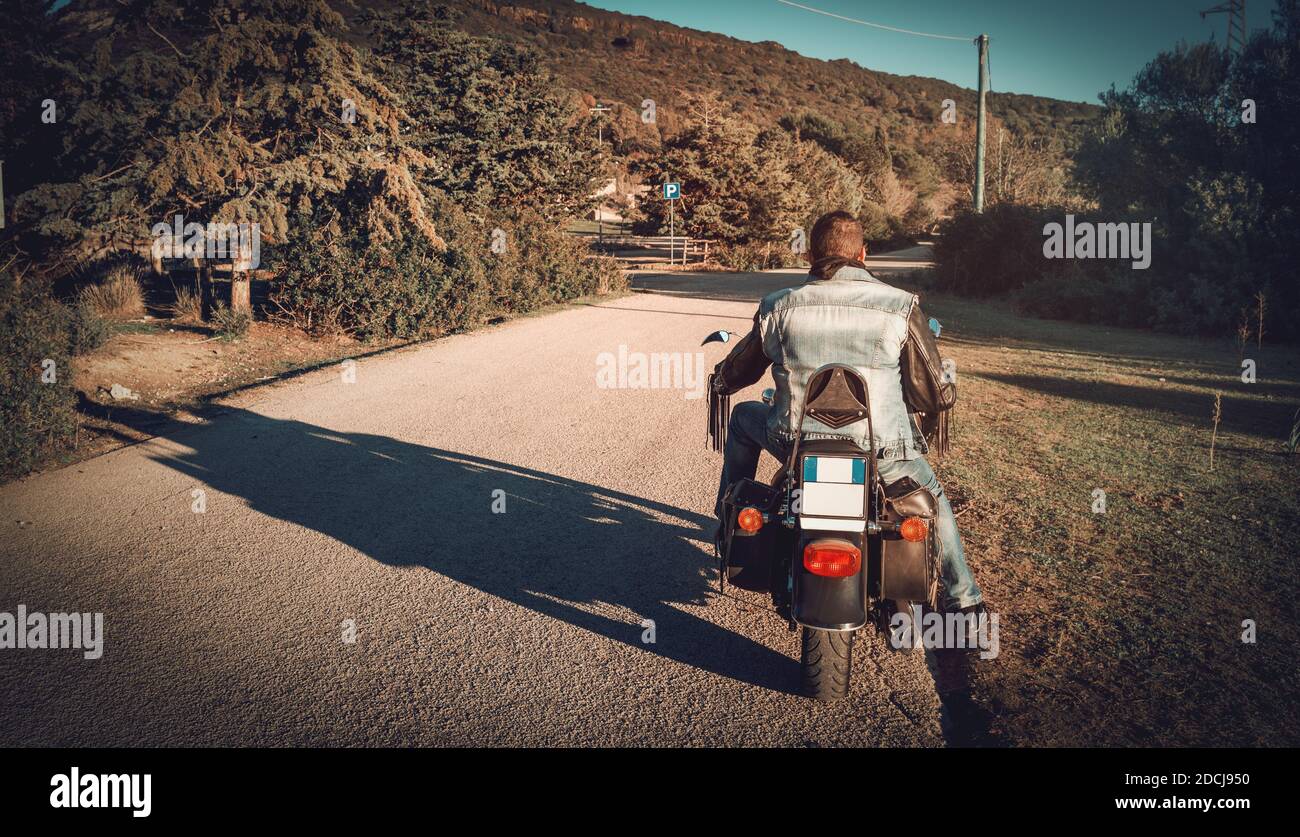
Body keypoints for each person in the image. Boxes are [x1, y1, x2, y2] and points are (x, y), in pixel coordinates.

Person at [710, 210, 981, 613]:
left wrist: (720, 383)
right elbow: (931, 393)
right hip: (882, 450)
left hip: (795, 444)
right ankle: (964, 603)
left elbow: (741, 369)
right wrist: (943, 396)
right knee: (931, 495)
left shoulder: (777, 306)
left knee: (742, 419)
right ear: (863, 254)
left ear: (810, 256)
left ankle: (725, 525)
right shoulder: (901, 306)